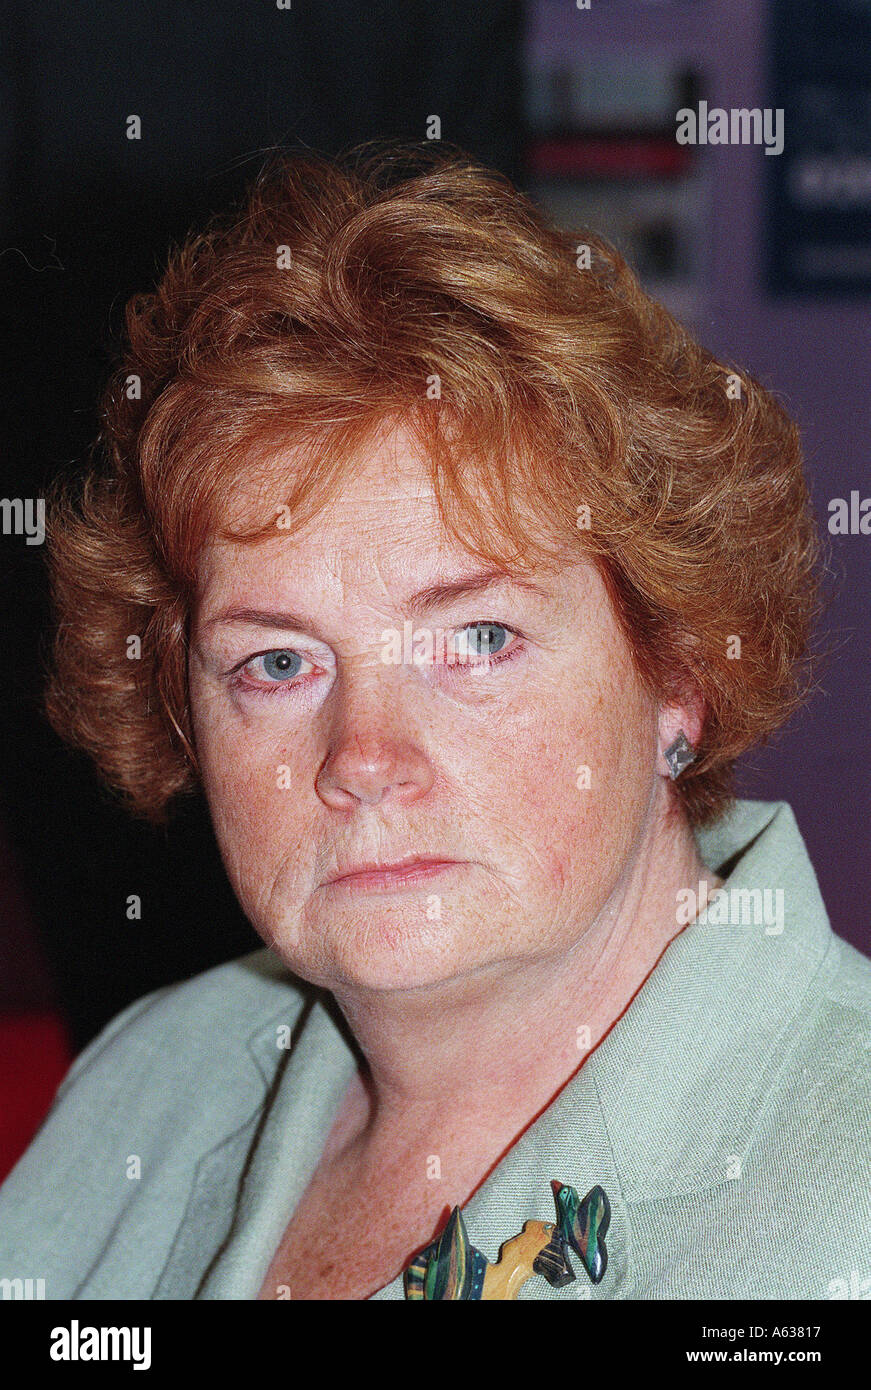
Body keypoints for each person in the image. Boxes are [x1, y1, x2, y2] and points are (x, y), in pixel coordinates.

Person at [0, 143, 868, 1301]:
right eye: (276, 661)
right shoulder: (149, 1076)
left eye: (478, 640)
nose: (363, 760)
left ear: (676, 674)